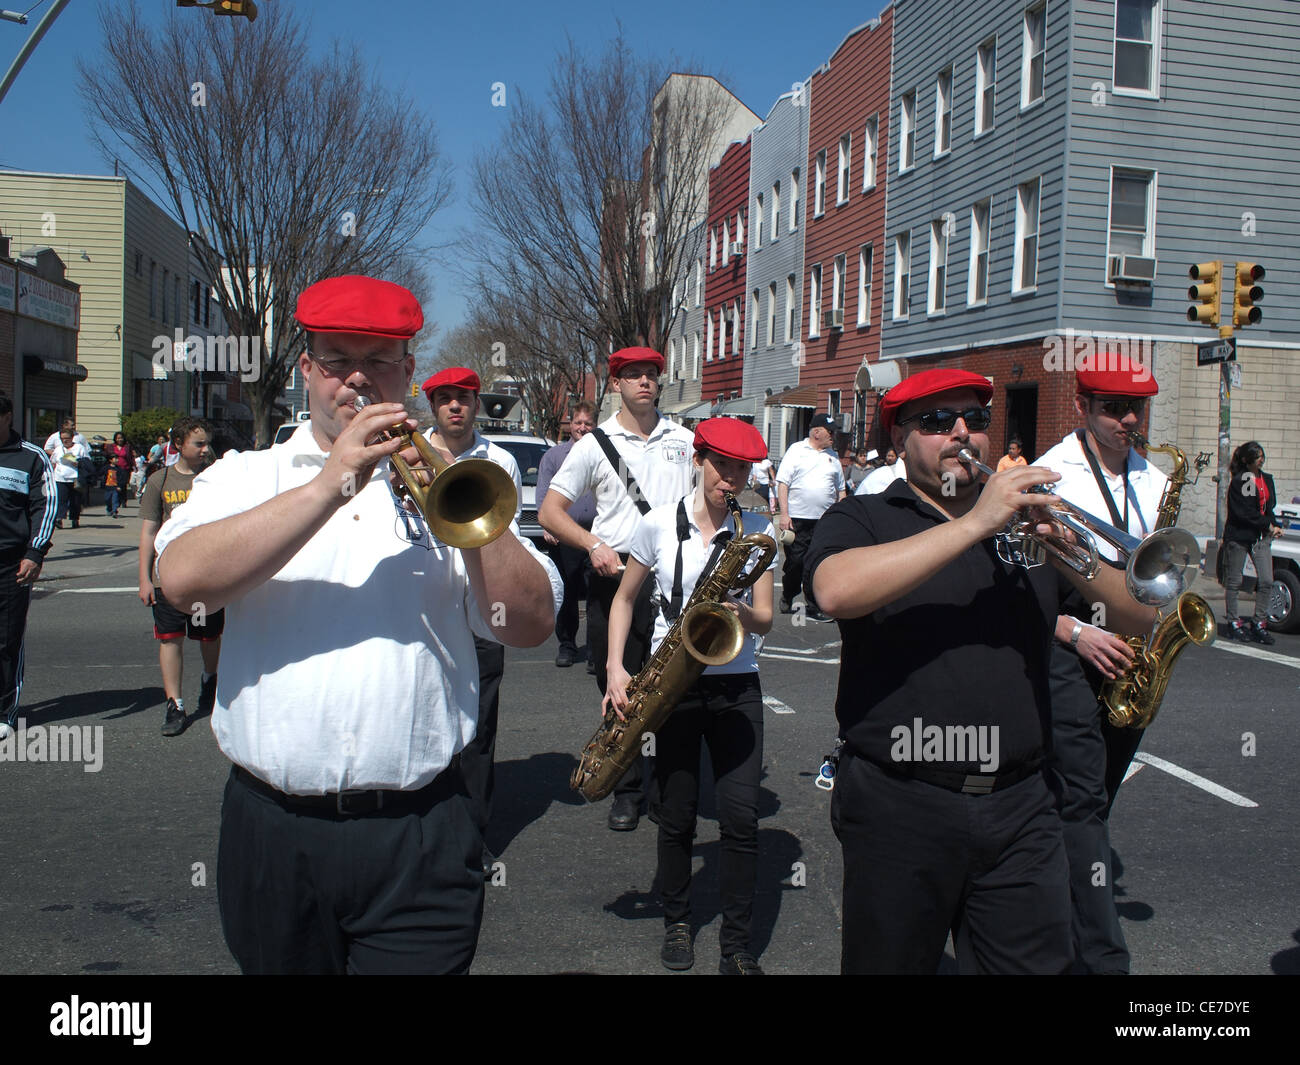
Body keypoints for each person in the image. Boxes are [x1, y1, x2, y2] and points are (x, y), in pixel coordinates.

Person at [153, 275, 560, 975]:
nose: (358, 379)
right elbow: (182, 577)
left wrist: (462, 508)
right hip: (272, 831)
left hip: (422, 833)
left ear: (407, 371)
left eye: (380, 360)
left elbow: (528, 624)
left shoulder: (449, 476)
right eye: (338, 359)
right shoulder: (247, 474)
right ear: (306, 369)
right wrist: (329, 484)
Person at [805, 368, 1154, 975]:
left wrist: (1064, 548)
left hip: (1022, 805)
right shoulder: (865, 516)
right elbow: (834, 591)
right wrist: (975, 524)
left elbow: (1138, 613)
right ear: (898, 442)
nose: (961, 433)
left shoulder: (1025, 525)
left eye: (976, 420)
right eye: (937, 422)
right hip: (900, 801)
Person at [604, 418, 775, 975]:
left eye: (742, 470)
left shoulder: (757, 532)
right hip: (672, 683)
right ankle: (678, 922)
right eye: (722, 466)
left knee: (741, 819)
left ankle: (737, 945)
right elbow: (625, 600)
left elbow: (768, 620)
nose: (732, 479)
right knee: (675, 816)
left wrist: (737, 609)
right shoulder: (656, 526)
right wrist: (614, 668)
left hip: (736, 684)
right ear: (698, 460)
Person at [1035, 357, 1165, 974]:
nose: (1129, 419)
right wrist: (1078, 632)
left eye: (1136, 407)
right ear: (1082, 408)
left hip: (1131, 653)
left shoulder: (1156, 480)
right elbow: (1019, 585)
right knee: (1082, 801)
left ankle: (1051, 904)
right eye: (1113, 407)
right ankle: (1100, 958)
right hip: (1070, 645)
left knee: (1094, 800)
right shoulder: (1052, 475)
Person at [540, 346, 696, 832]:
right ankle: (627, 789)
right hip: (616, 578)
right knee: (622, 687)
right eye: (633, 375)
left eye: (651, 374)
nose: (644, 382)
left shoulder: (687, 440)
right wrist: (592, 545)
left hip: (674, 580)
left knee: (673, 689)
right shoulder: (594, 444)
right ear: (615, 385)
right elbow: (550, 512)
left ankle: (670, 786)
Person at [420, 365, 524, 876]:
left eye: (463, 398)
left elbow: (511, 537)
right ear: (432, 406)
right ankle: (424, 833)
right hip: (423, 613)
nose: (455, 406)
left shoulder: (499, 459)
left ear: (477, 404)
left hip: (481, 612)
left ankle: (472, 837)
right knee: (423, 721)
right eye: (444, 399)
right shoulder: (407, 455)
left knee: (479, 731)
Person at [138, 417, 224, 737]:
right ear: (178, 446)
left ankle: (210, 680)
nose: (205, 449)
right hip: (168, 579)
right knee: (170, 638)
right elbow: (148, 532)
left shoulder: (215, 479)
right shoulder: (160, 481)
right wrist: (145, 579)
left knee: (207, 636)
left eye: (207, 443)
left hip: (204, 579)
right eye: (198, 443)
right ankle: (174, 704)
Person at [0, 395, 56, 742]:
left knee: (6, 639)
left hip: (11, 563)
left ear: (6, 416)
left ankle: (4, 712)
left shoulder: (30, 457)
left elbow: (46, 506)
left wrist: (35, 552)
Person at [536, 401, 597, 670]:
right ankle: (567, 646)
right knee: (568, 593)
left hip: (601, 535)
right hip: (566, 535)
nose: (582, 427)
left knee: (600, 595)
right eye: (578, 422)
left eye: (588, 423)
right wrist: (548, 525)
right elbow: (543, 492)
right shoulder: (554, 457)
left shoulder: (607, 454)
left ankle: (597, 652)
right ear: (570, 424)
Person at [774, 413, 845, 618]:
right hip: (797, 519)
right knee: (796, 562)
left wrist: (839, 515)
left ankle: (814, 605)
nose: (833, 436)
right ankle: (788, 595)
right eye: (830, 432)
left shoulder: (833, 455)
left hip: (824, 521)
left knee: (816, 563)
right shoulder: (796, 451)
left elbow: (841, 490)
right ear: (816, 432)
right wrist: (784, 514)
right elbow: (783, 484)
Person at [1222, 440, 1283, 645]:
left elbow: (1267, 508)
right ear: (1247, 460)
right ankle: (1233, 622)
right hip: (1240, 535)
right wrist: (1268, 525)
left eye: (1262, 455)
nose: (1261, 459)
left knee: (1266, 580)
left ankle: (1259, 623)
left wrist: (1275, 524)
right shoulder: (1244, 480)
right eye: (1257, 456)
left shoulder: (1266, 479)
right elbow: (1245, 513)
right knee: (1235, 581)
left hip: (1260, 537)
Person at [46, 428, 88, 529]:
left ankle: (74, 518)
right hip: (60, 478)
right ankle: (59, 519)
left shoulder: (79, 448)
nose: (65, 440)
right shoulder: (58, 449)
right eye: (62, 439)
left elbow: (87, 462)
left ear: (72, 438)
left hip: (75, 478)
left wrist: (77, 462)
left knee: (75, 500)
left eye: (67, 438)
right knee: (61, 499)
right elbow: (53, 462)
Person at [105, 431, 133, 518]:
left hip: (124, 468)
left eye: (121, 438)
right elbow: (107, 456)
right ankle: (114, 504)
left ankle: (122, 501)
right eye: (118, 438)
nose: (119, 439)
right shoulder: (111, 447)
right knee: (114, 487)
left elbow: (130, 457)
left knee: (122, 485)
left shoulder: (127, 447)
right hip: (113, 469)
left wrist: (133, 466)